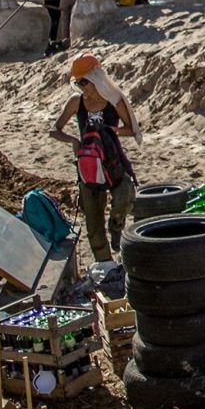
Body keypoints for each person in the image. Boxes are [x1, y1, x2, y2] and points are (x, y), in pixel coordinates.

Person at [51, 54, 140, 261]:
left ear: (96, 78)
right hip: (89, 165)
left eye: (84, 82)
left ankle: (116, 226)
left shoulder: (114, 100)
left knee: (125, 195)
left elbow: (131, 129)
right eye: (78, 83)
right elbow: (54, 129)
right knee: (93, 220)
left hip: (113, 160)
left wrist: (113, 131)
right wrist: (74, 141)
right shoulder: (76, 102)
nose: (82, 87)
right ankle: (105, 263)